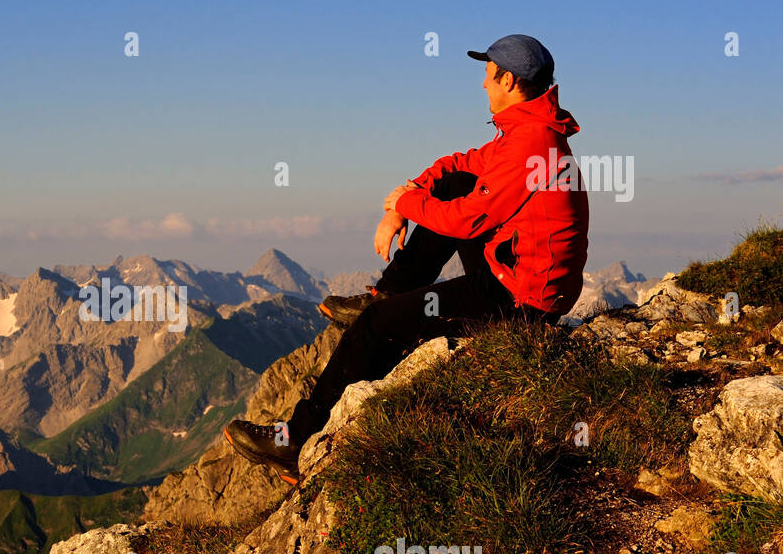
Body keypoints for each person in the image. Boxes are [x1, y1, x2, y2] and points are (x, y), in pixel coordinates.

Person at [225, 34, 590, 484]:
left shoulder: (531, 145)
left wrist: (407, 205)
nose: (482, 85)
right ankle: (390, 291)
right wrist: (407, 198)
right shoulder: (525, 132)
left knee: (376, 325)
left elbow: (469, 221)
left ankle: (293, 440)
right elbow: (460, 166)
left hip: (522, 299)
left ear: (508, 80)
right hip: (516, 270)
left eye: (487, 75)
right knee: (454, 184)